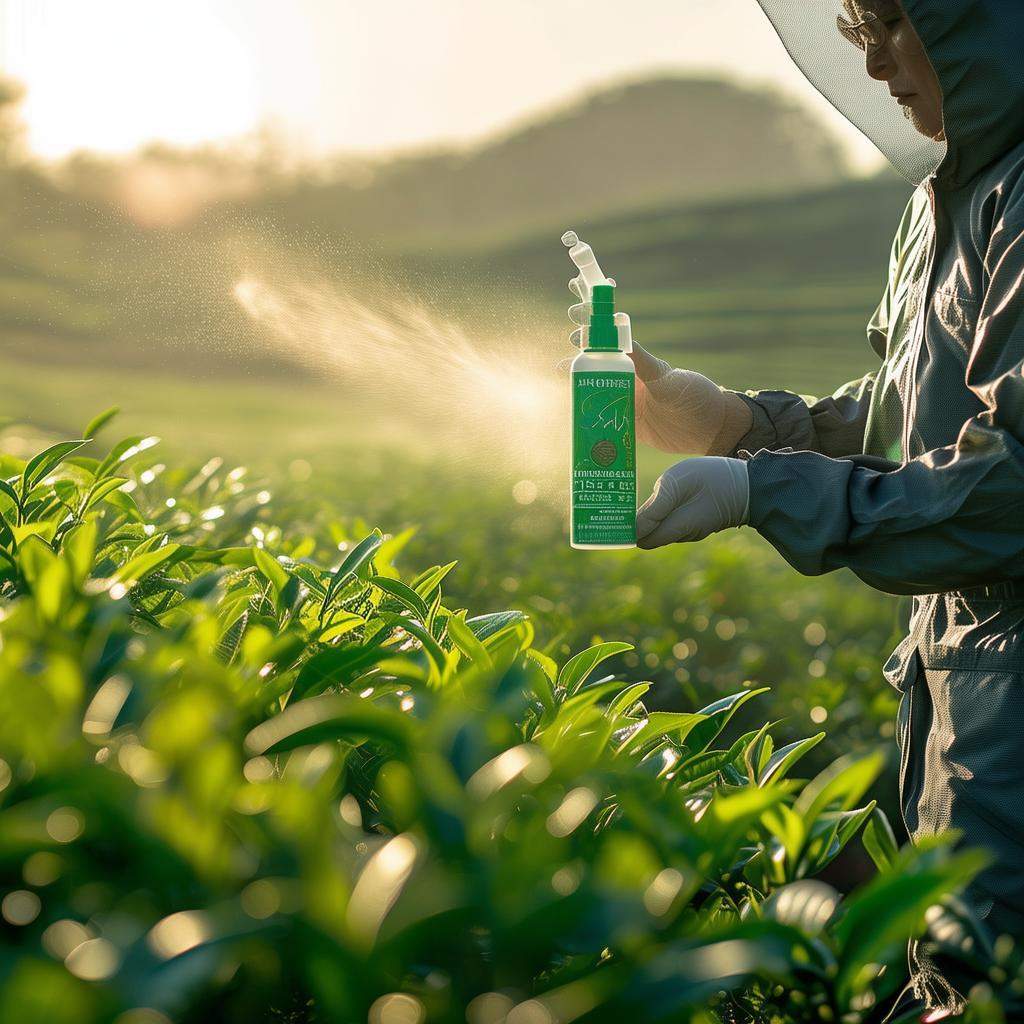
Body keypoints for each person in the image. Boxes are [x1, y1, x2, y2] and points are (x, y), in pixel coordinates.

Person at [568, 0, 1024, 1015]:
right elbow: (912, 424)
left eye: (899, 26)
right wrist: (736, 424)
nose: (875, 68)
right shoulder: (951, 198)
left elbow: (1013, 484)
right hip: (970, 727)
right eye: (861, 36)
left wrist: (757, 488)